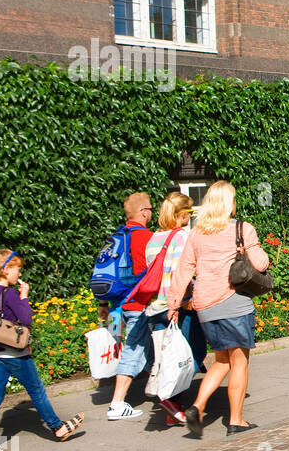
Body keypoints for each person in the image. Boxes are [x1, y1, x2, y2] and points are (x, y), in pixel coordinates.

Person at [166, 181, 271, 437]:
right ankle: (236, 420)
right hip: (233, 302)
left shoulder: (197, 233)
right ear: (229, 203)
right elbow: (258, 263)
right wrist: (262, 254)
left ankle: (198, 406)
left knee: (221, 359)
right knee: (239, 362)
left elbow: (183, 270)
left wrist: (173, 304)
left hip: (204, 306)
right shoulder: (242, 229)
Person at [0, 250, 83, 451]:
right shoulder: (9, 294)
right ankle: (57, 427)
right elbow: (25, 319)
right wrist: (24, 297)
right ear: (6, 270)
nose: (19, 274)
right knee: (36, 390)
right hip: (16, 353)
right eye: (18, 270)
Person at [140, 192, 208, 425]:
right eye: (189, 213)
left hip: (156, 306)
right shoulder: (182, 237)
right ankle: (170, 401)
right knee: (191, 353)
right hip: (179, 304)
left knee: (168, 356)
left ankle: (172, 410)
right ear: (181, 215)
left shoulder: (154, 238)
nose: (190, 217)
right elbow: (184, 271)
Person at [102, 192, 155, 421]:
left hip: (115, 306)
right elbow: (149, 273)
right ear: (144, 212)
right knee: (132, 349)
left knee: (128, 346)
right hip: (137, 304)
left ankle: (160, 386)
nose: (152, 213)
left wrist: (103, 303)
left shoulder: (116, 236)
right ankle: (118, 403)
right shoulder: (146, 237)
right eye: (151, 209)